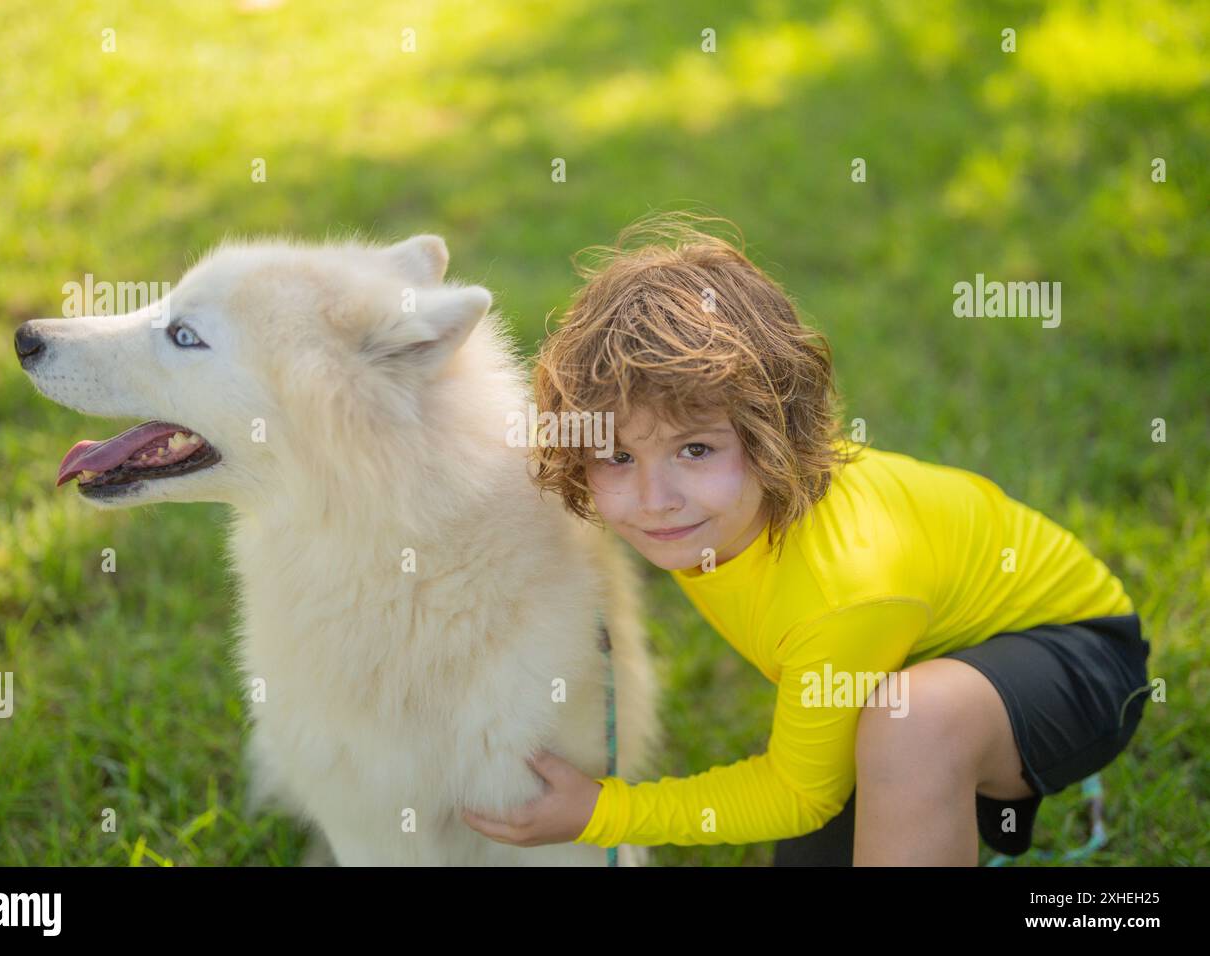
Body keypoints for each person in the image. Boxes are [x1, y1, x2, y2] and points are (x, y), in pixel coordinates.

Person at [459, 213, 1151, 865]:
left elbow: (796, 793)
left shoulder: (840, 587)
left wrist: (602, 813)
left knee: (910, 729)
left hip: (1077, 653)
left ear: (773, 437)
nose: (654, 498)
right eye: (617, 457)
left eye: (695, 450)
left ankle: (959, 767)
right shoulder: (715, 514)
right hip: (904, 653)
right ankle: (937, 781)